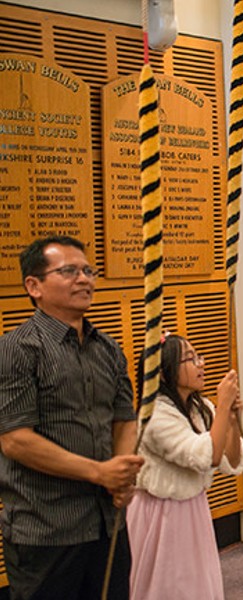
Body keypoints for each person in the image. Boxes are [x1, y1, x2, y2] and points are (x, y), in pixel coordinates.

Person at [0, 235, 144, 599]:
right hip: (47, 529)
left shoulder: (109, 348)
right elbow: (16, 440)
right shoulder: (16, 349)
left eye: (88, 271)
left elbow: (124, 418)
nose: (85, 280)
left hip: (107, 525)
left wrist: (121, 471)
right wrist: (98, 472)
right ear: (34, 286)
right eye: (68, 271)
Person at [127, 334, 243, 599]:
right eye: (190, 359)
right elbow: (208, 457)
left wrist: (233, 420)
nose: (200, 364)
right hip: (161, 513)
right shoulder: (154, 416)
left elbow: (232, 460)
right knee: (168, 586)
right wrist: (224, 405)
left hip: (193, 508)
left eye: (198, 356)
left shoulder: (200, 407)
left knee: (199, 584)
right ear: (166, 372)